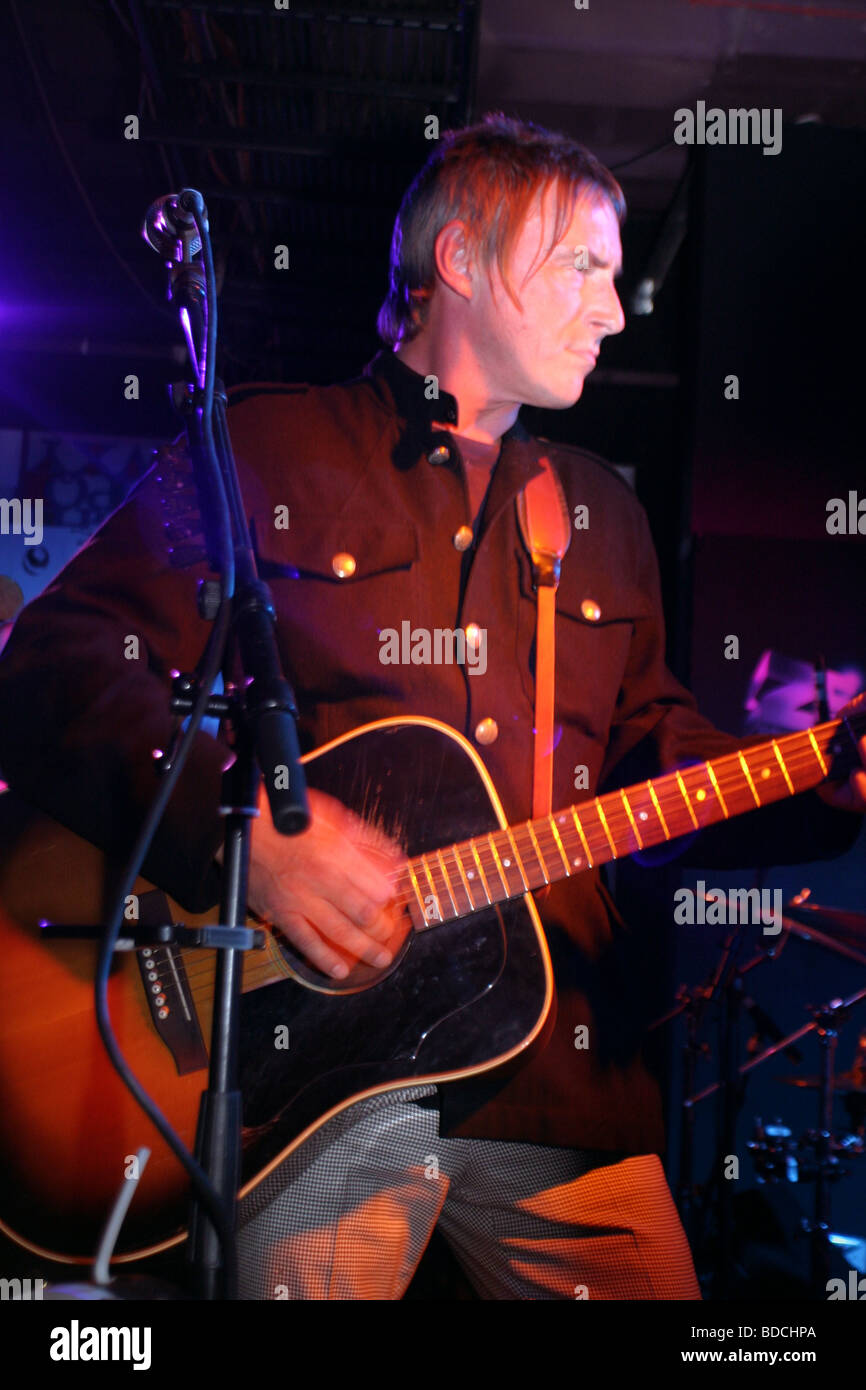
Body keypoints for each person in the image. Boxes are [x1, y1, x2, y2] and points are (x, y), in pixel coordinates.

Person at [0, 115, 863, 1300]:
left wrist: (819, 780)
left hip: (562, 1089)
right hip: (315, 1090)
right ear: (459, 259)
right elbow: (54, 657)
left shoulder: (601, 518)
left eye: (614, 279)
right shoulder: (267, 448)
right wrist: (240, 832)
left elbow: (658, 762)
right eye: (582, 268)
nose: (613, 311)